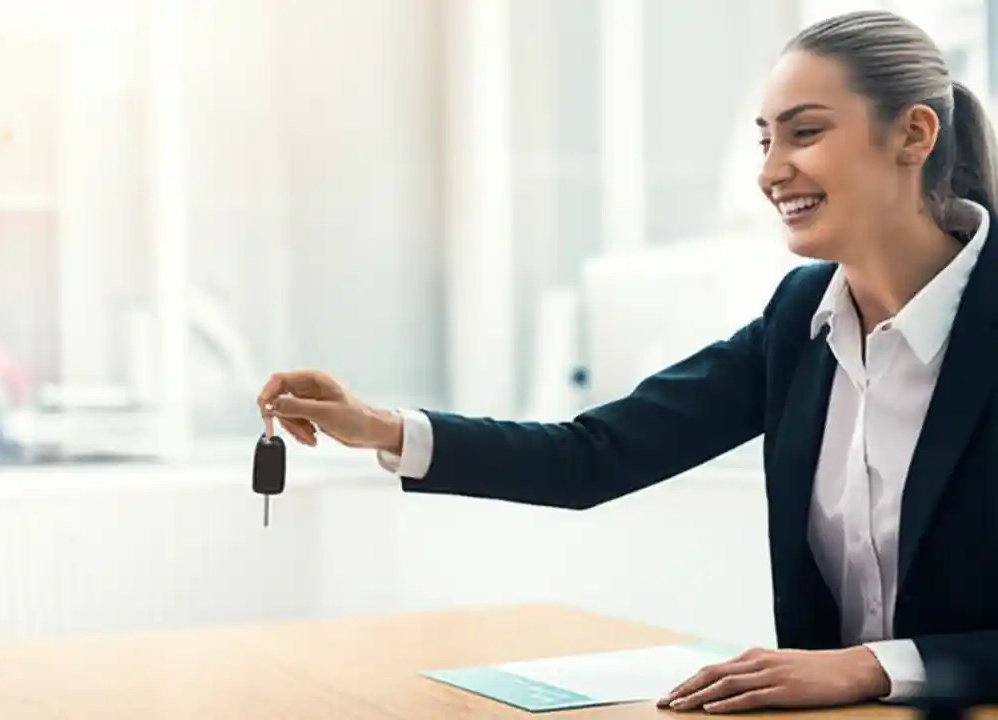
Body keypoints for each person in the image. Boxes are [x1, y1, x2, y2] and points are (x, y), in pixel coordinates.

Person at [258, 10, 998, 712]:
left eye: (804, 133)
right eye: (763, 141)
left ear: (913, 135)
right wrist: (380, 427)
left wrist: (872, 666)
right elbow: (594, 456)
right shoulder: (798, 324)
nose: (772, 172)